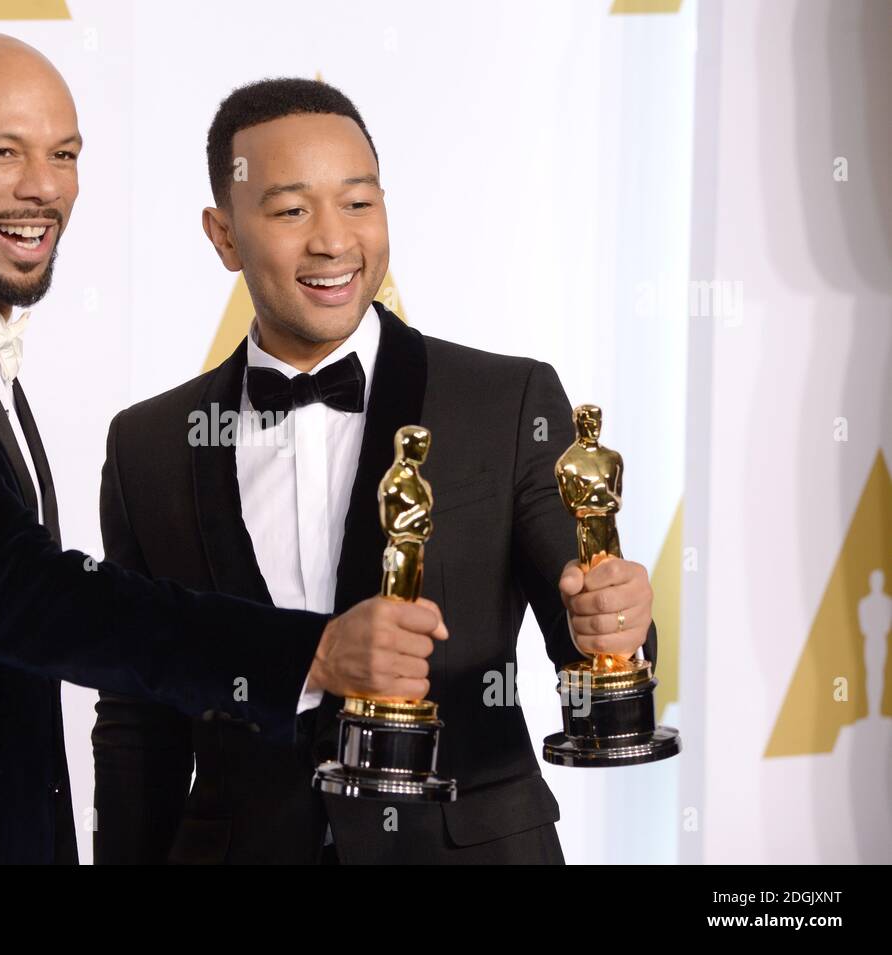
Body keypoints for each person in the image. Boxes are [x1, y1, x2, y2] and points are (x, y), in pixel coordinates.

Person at [0, 37, 444, 865]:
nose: (43, 185)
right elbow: (23, 597)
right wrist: (309, 650)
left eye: (63, 154)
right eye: (2, 152)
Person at [92, 78, 657, 865]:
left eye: (358, 203)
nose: (333, 241)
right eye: (291, 211)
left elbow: (585, 629)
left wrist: (618, 625)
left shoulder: (507, 398)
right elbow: (137, 718)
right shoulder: (147, 445)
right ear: (223, 236)